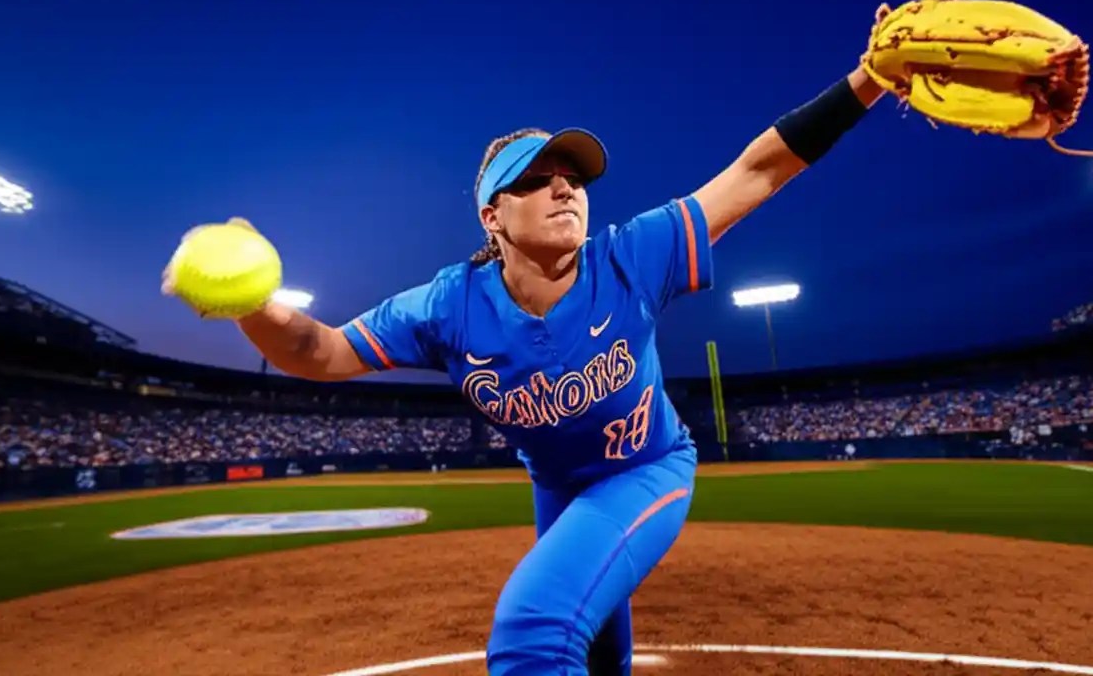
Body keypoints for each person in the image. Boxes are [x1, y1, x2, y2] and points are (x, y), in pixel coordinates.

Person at [162, 54, 884, 674]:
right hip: (557, 491)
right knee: (598, 655)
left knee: (534, 633)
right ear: (491, 216)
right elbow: (319, 351)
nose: (564, 186)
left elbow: (760, 168)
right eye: (535, 178)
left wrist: (867, 80)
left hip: (644, 470)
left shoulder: (633, 255)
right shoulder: (448, 308)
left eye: (571, 174)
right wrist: (250, 304)